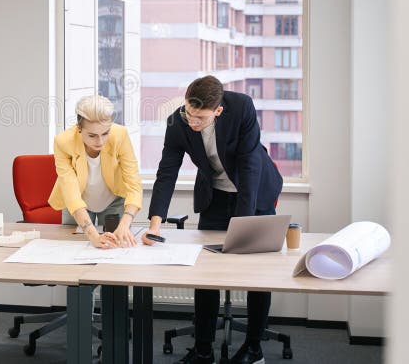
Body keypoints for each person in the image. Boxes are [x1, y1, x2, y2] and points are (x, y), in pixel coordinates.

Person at [143, 76, 283, 364]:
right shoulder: (177, 121)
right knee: (205, 272)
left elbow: (250, 165)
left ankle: (253, 348)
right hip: (215, 196)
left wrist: (242, 228)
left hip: (254, 191)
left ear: (217, 111)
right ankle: (203, 349)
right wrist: (155, 225)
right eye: (189, 114)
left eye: (200, 118)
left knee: (256, 271)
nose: (192, 122)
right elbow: (166, 172)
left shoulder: (242, 107)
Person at [48, 95, 143, 249]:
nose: (100, 142)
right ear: (79, 128)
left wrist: (125, 223)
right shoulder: (63, 142)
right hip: (78, 203)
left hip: (113, 199)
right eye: (92, 135)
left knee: (116, 246)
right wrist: (93, 235)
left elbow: (134, 184)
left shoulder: (120, 135)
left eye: (105, 133)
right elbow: (71, 193)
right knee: (70, 248)